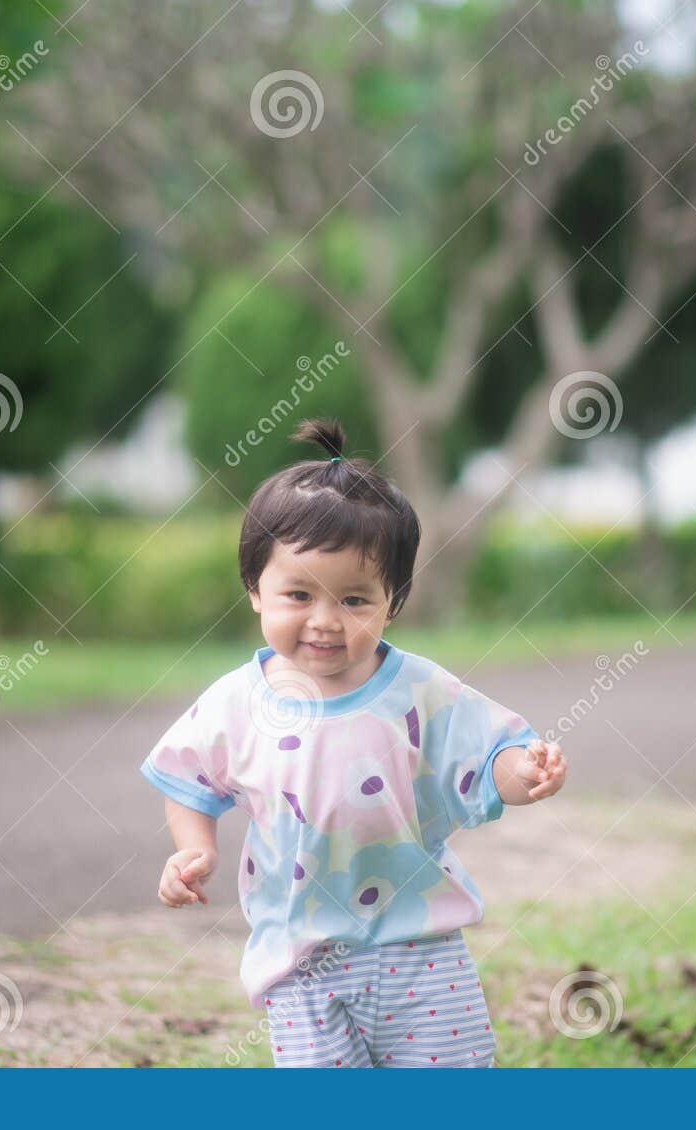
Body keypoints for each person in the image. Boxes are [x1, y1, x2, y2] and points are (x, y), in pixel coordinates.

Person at [140, 416, 568, 1067]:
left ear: (392, 602)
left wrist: (524, 771)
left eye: (354, 600)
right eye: (298, 594)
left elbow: (484, 760)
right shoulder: (236, 703)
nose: (324, 621)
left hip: (420, 949)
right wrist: (193, 850)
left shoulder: (422, 691)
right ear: (255, 590)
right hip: (301, 960)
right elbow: (189, 780)